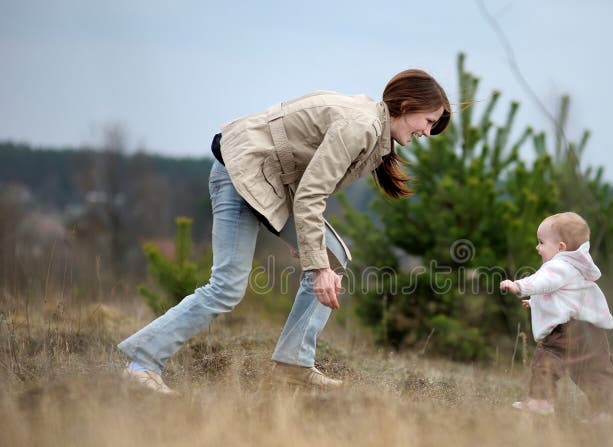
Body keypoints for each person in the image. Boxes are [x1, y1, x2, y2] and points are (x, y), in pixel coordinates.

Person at [119, 69, 451, 394]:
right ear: (407, 106)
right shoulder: (360, 125)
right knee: (227, 287)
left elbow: (303, 175)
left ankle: (293, 365)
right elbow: (311, 193)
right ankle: (141, 362)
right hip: (240, 175)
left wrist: (308, 244)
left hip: (271, 186)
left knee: (333, 257)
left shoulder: (373, 127)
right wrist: (315, 264)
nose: (427, 132)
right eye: (429, 121)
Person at [499, 212, 613, 416]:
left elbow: (543, 282)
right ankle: (605, 412)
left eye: (541, 242)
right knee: (592, 372)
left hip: (568, 329)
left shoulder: (558, 265)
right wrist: (534, 303)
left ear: (561, 247)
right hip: (592, 331)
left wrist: (518, 286)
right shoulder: (575, 268)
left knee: (547, 358)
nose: (537, 247)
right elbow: (561, 296)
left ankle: (541, 401)